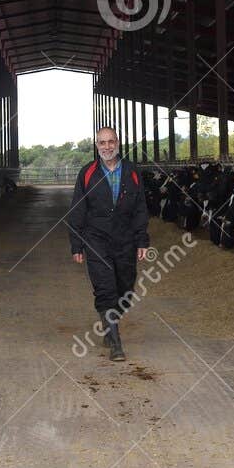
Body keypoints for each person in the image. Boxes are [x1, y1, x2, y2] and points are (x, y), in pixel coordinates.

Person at [68, 126, 149, 361]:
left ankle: (108, 323)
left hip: (125, 239)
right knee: (105, 289)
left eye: (111, 141)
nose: (107, 146)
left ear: (118, 143)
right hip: (96, 240)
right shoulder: (87, 173)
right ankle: (116, 343)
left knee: (125, 288)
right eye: (102, 142)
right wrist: (77, 245)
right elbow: (77, 211)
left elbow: (140, 209)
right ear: (97, 145)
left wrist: (141, 240)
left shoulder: (132, 172)